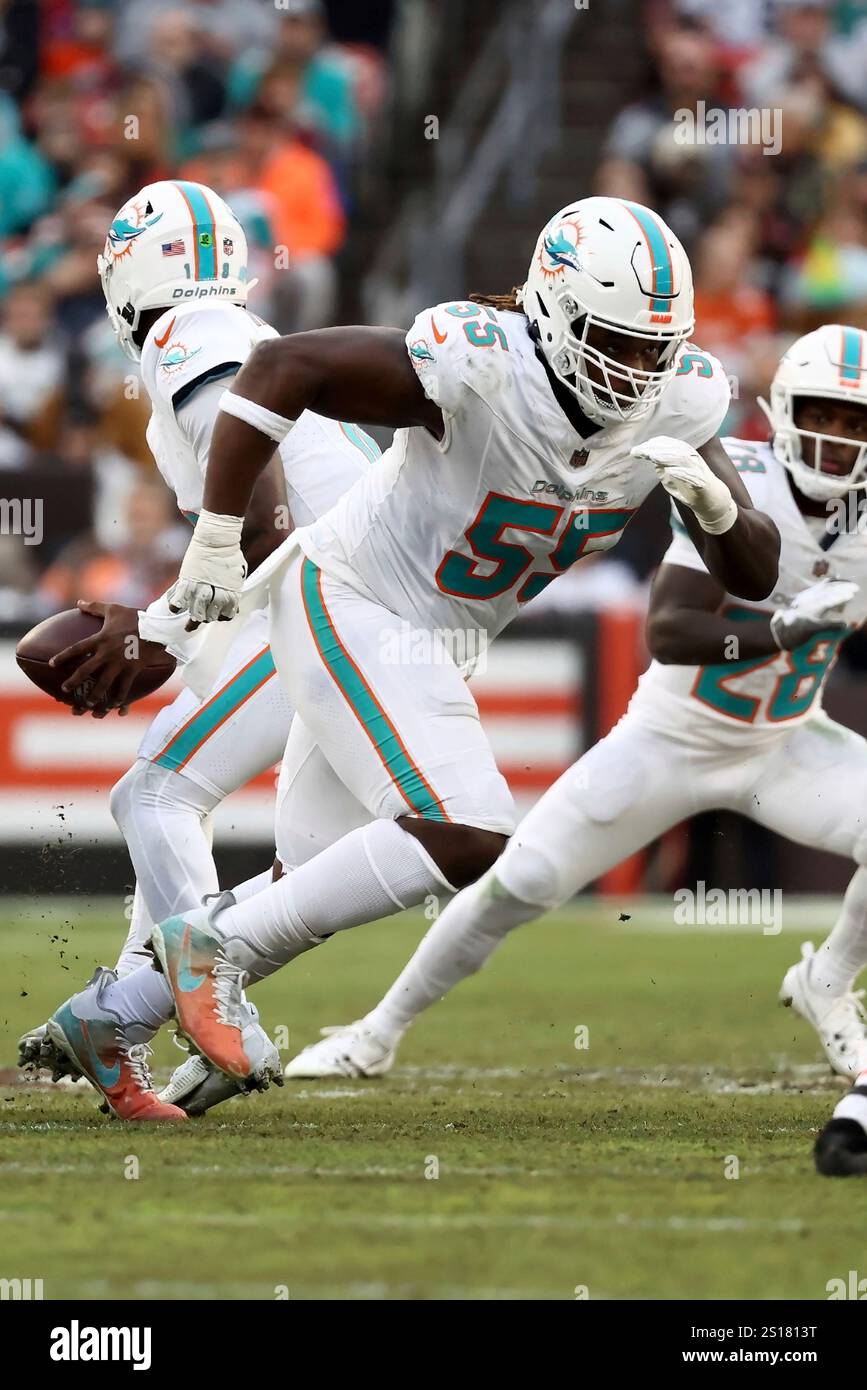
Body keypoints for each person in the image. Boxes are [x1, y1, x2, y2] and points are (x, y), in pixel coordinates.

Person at [45, 195, 780, 1111]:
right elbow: (282, 366)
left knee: (301, 884)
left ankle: (114, 1015)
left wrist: (719, 512)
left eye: (650, 349)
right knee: (468, 827)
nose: (633, 371)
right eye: (612, 342)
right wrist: (214, 543)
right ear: (552, 312)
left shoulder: (680, 395)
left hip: (431, 640)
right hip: (351, 596)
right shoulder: (478, 357)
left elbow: (753, 571)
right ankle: (203, 949)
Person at [283, 325, 867, 1081]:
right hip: (670, 738)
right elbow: (671, 632)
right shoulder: (739, 481)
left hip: (783, 741)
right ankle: (375, 1032)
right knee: (519, 882)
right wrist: (783, 627)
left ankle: (827, 983)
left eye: (855, 423)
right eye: (823, 415)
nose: (836, 439)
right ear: (784, 410)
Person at [20, 180, 378, 1120]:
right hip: (347, 594)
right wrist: (171, 629)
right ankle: (119, 1020)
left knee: (155, 790)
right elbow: (248, 539)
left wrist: (157, 627)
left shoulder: (194, 336)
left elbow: (259, 521)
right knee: (300, 864)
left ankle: (213, 998)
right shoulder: (237, 332)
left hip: (332, 595)